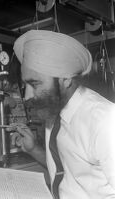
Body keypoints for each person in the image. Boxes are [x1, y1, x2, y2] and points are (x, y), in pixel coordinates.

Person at [7, 30, 115, 199]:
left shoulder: (104, 121)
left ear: (65, 79)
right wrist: (33, 149)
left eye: (34, 84)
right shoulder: (55, 112)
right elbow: (65, 170)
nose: (27, 96)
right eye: (25, 85)